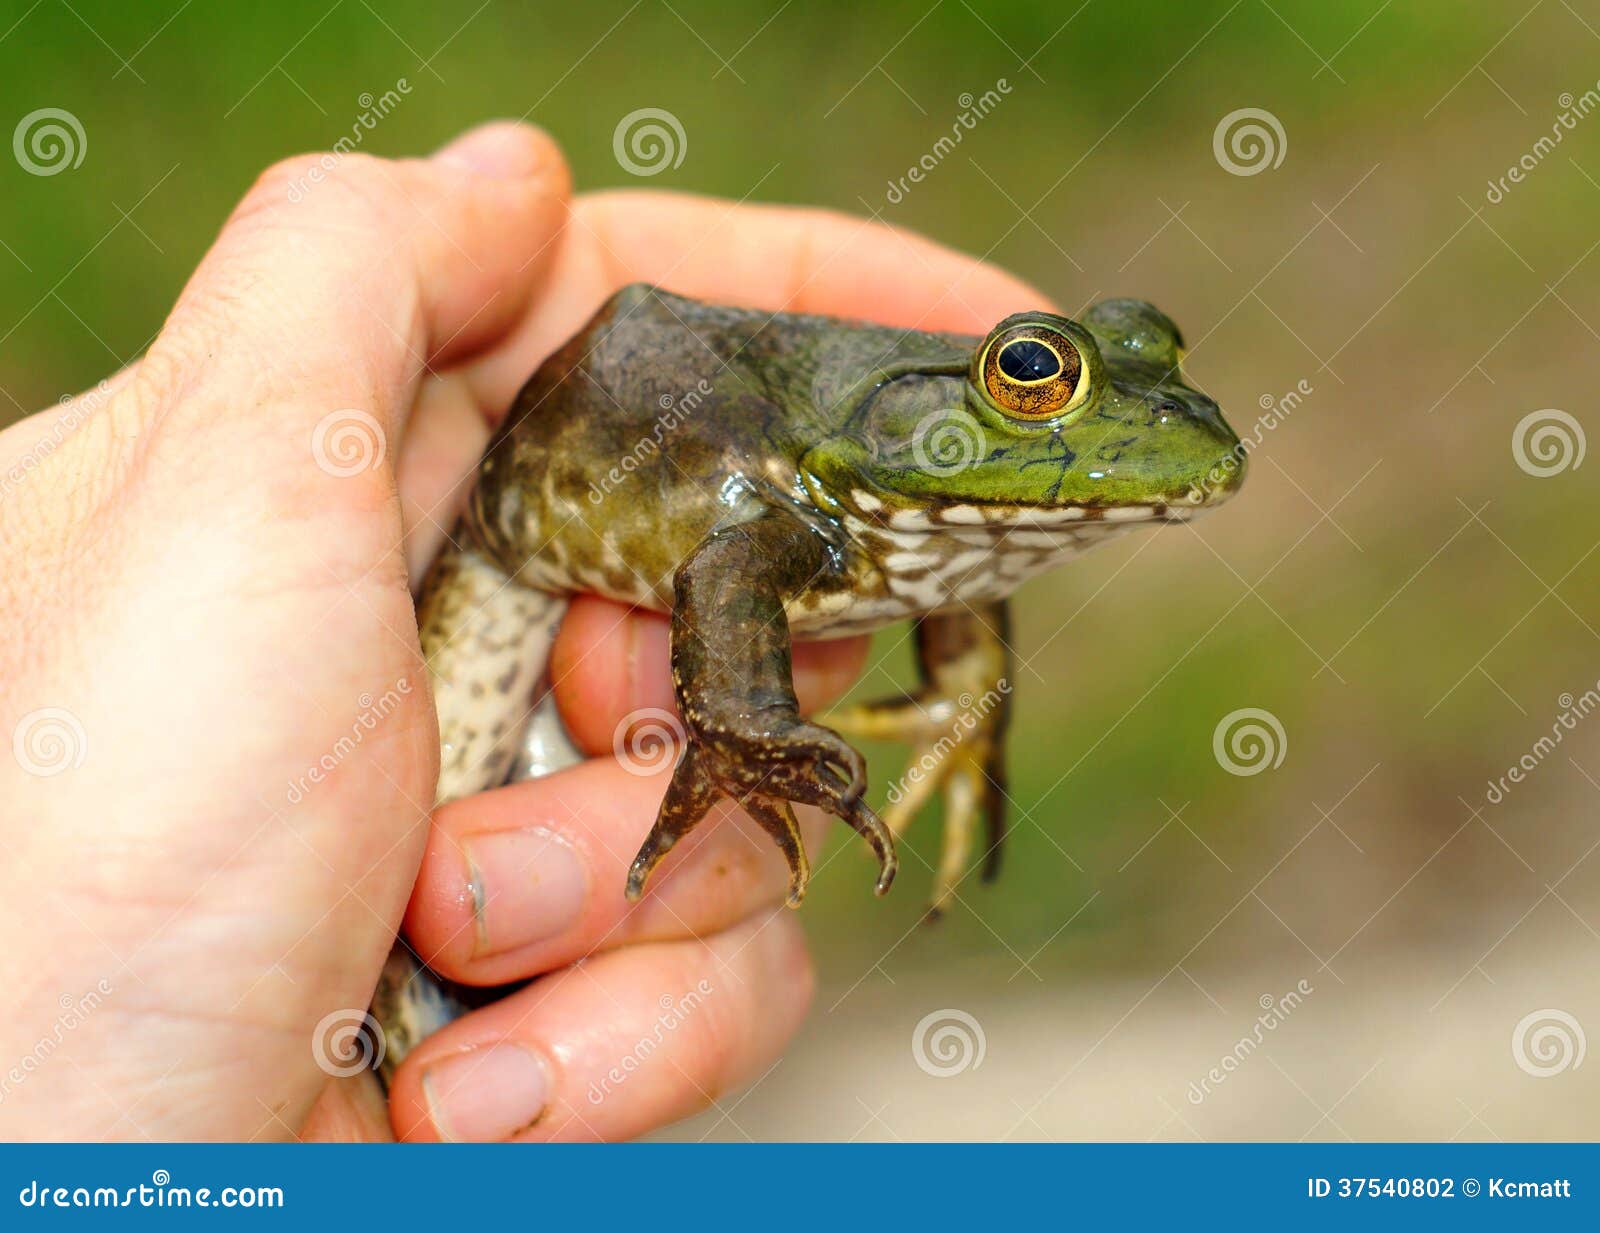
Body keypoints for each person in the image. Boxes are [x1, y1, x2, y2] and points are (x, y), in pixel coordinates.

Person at [0, 122, 1043, 1141]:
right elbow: (734, 563)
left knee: (483, 968)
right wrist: (746, 726)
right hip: (495, 562)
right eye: (1040, 378)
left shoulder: (917, 515)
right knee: (436, 950)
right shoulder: (788, 516)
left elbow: (948, 536)